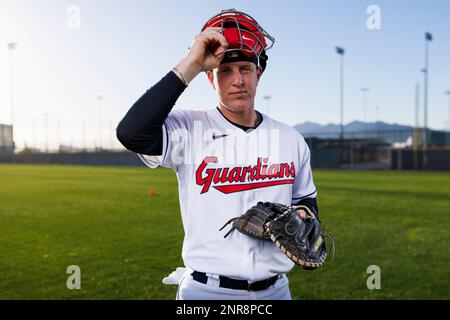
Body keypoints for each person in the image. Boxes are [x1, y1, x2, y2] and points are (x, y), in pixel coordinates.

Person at [116, 9, 319, 300]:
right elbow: (131, 133)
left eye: (245, 69)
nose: (237, 80)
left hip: (276, 290)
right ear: (211, 79)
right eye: (225, 71)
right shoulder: (189, 128)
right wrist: (192, 64)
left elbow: (305, 199)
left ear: (258, 74)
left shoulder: (291, 138)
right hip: (206, 291)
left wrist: (303, 215)